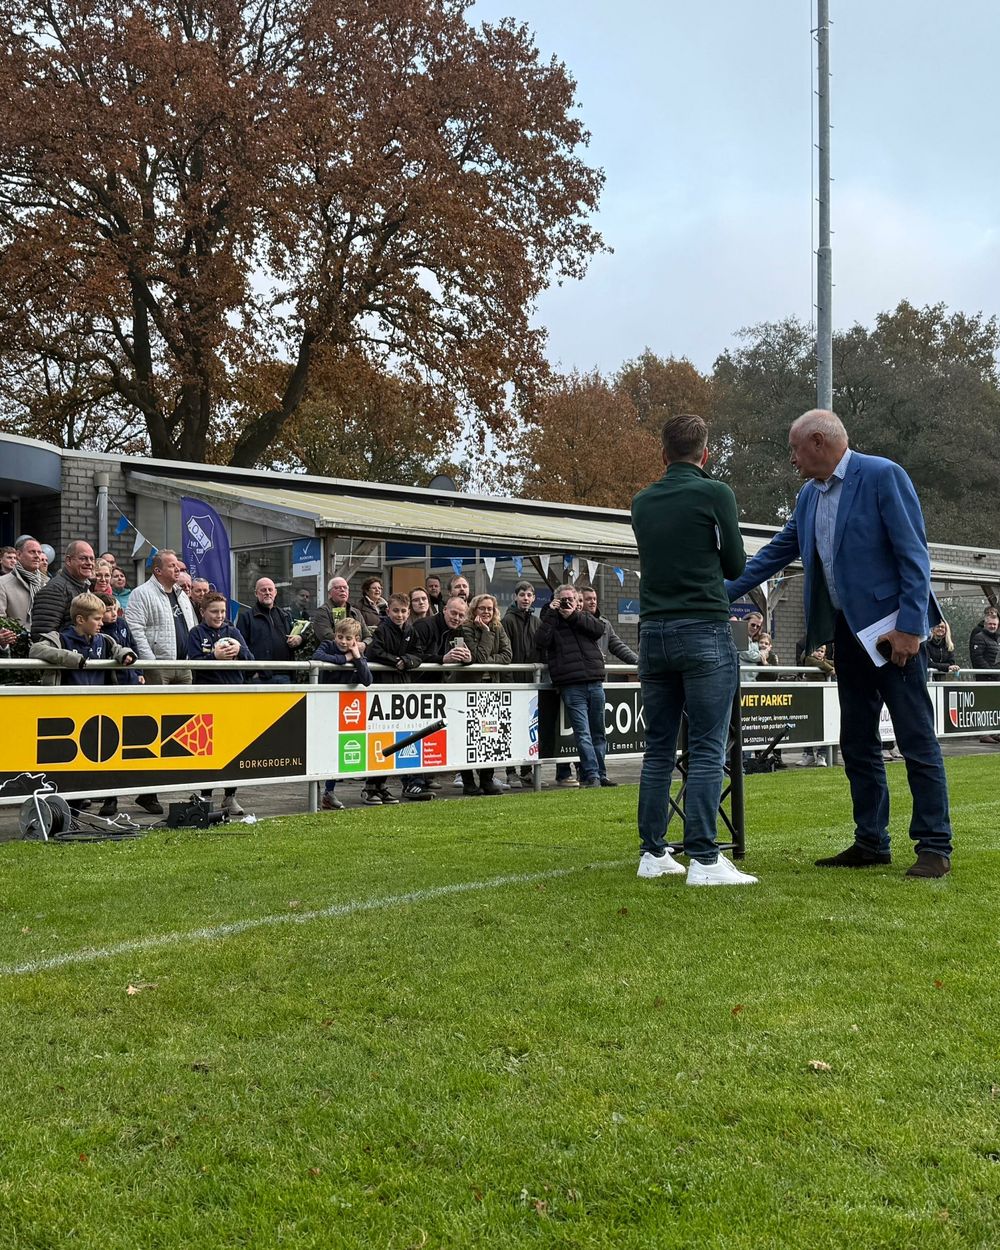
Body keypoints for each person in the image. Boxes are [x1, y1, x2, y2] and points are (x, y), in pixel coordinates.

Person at [726, 409, 952, 878]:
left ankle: (934, 846)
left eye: (794, 449)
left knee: (915, 738)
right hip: (848, 636)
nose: (792, 459)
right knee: (857, 742)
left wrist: (911, 626)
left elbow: (915, 554)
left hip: (895, 635)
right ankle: (871, 842)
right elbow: (775, 551)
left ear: (817, 443)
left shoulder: (883, 475)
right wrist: (715, 592)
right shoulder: (808, 496)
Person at [630, 413, 756, 886]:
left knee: (658, 749)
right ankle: (704, 858)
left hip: (653, 631)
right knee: (706, 747)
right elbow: (735, 563)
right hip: (703, 626)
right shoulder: (715, 492)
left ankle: (653, 852)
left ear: (663, 454)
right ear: (705, 454)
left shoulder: (642, 501)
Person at [125, 549, 199, 815]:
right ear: (157, 570)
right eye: (171, 566)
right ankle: (148, 791)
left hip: (184, 666)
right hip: (160, 666)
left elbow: (191, 628)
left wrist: (193, 658)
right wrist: (150, 662)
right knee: (157, 729)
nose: (177, 569)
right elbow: (136, 629)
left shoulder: (182, 595)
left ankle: (187, 784)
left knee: (184, 727)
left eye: (177, 566)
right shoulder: (141, 593)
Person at [535, 583, 608, 791]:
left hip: (594, 680)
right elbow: (541, 641)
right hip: (571, 684)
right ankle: (591, 775)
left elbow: (599, 630)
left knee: (599, 732)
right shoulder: (551, 620)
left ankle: (601, 774)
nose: (567, 603)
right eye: (563, 599)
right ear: (555, 600)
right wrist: (552, 612)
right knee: (582, 732)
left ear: (577, 602)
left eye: (571, 599)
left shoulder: (584, 618)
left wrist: (574, 616)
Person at [187, 591, 253, 816]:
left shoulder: (233, 631)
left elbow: (251, 660)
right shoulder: (196, 633)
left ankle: (230, 795)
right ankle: (205, 795)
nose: (219, 616)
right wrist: (214, 657)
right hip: (208, 696)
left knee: (234, 748)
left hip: (233, 695)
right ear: (202, 612)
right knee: (208, 749)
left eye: (223, 611)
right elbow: (193, 663)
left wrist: (240, 651)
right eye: (214, 611)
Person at [366, 592, 424, 801]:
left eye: (403, 611)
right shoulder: (382, 630)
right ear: (388, 610)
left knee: (401, 738)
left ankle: (384, 784)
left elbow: (419, 654)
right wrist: (395, 661)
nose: (399, 615)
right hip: (383, 687)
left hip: (403, 689)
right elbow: (374, 652)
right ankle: (371, 785)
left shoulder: (411, 630)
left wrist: (406, 661)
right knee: (381, 737)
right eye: (396, 611)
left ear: (408, 613)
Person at [455, 593, 512, 796]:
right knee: (468, 735)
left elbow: (507, 655)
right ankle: (469, 780)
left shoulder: (498, 627)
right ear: (474, 610)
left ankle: (487, 779)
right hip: (469, 687)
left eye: (490, 608)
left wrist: (488, 658)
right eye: (482, 608)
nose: (486, 612)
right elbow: (477, 658)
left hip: (491, 685)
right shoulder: (466, 628)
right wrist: (486, 633)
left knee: (490, 734)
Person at [313, 618, 372, 810]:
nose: (343, 642)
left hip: (343, 710)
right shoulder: (328, 645)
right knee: (319, 749)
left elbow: (367, 680)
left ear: (355, 640)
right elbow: (318, 655)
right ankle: (314, 790)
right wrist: (343, 659)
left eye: (348, 639)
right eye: (340, 637)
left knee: (335, 753)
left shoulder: (355, 653)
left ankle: (328, 792)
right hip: (322, 705)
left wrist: (356, 657)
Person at [502, 580, 540, 787]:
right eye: (522, 594)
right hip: (514, 680)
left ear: (534, 598)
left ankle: (526, 770)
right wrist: (509, 680)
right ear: (516, 597)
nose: (526, 598)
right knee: (512, 728)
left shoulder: (536, 622)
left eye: (529, 595)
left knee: (529, 728)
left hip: (531, 683)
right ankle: (511, 770)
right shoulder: (507, 620)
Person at [236, 577, 302, 683]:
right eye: (263, 590)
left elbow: (300, 638)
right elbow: (241, 648)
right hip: (258, 678)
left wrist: (299, 639)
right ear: (256, 593)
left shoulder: (285, 615)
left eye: (270, 589)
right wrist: (251, 673)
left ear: (275, 592)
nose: (267, 593)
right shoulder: (246, 617)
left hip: (285, 675)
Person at [30, 540, 96, 639]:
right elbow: (43, 636)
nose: (89, 563)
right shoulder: (55, 590)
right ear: (68, 560)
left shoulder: (83, 587)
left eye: (92, 559)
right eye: (83, 558)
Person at [0, 535, 45, 631]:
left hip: (44, 642)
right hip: (16, 643)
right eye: (32, 552)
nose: (37, 556)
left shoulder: (47, 583)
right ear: (19, 555)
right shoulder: (2, 584)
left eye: (39, 552)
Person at [311, 576, 370, 647]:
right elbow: (326, 636)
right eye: (337, 588)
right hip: (331, 655)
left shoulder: (356, 612)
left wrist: (364, 644)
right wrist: (350, 644)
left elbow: (367, 636)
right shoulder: (323, 611)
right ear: (330, 593)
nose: (342, 590)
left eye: (345, 588)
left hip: (356, 654)